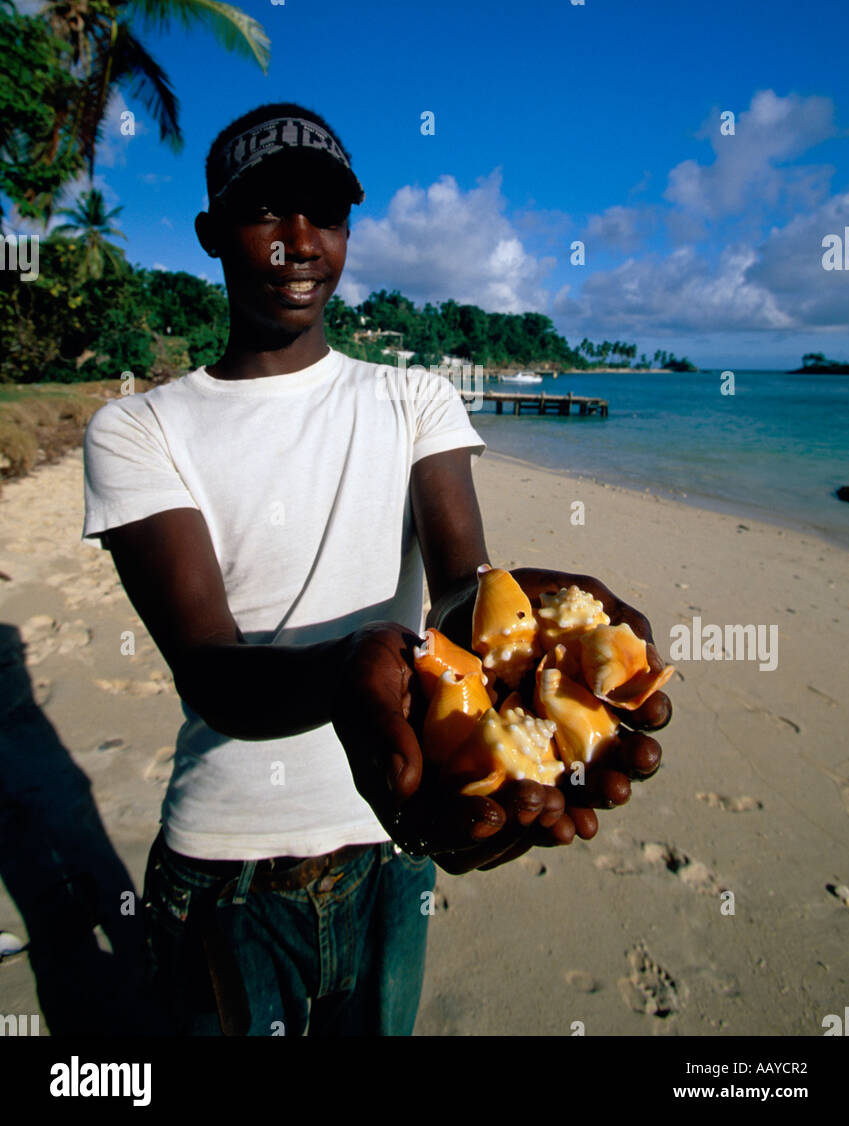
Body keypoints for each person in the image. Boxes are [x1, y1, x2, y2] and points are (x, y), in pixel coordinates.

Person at [81, 101, 670, 1037]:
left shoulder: (412, 398)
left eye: (326, 212)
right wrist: (351, 666)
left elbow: (466, 586)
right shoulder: (140, 428)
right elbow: (211, 673)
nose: (300, 240)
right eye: (267, 210)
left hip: (395, 842)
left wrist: (551, 614)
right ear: (210, 234)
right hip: (228, 864)